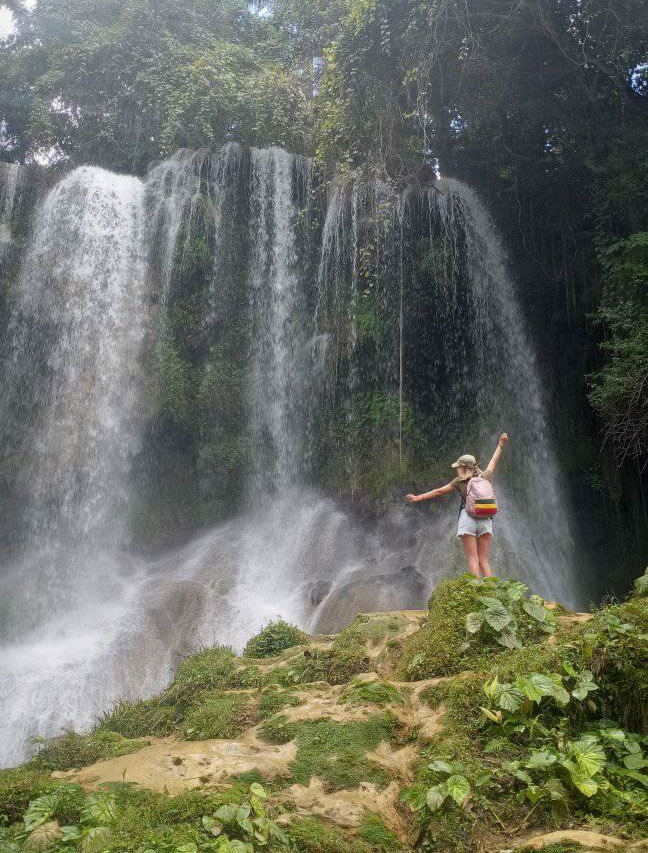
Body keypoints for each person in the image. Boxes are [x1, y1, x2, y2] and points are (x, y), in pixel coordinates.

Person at [407, 434, 509, 578]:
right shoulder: (485, 476)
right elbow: (494, 461)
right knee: (484, 560)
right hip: (486, 518)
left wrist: (418, 497)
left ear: (462, 468)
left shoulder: (459, 481)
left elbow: (439, 491)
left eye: (459, 467)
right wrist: (500, 444)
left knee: (472, 558)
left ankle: (477, 592)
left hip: (467, 518)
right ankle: (492, 592)